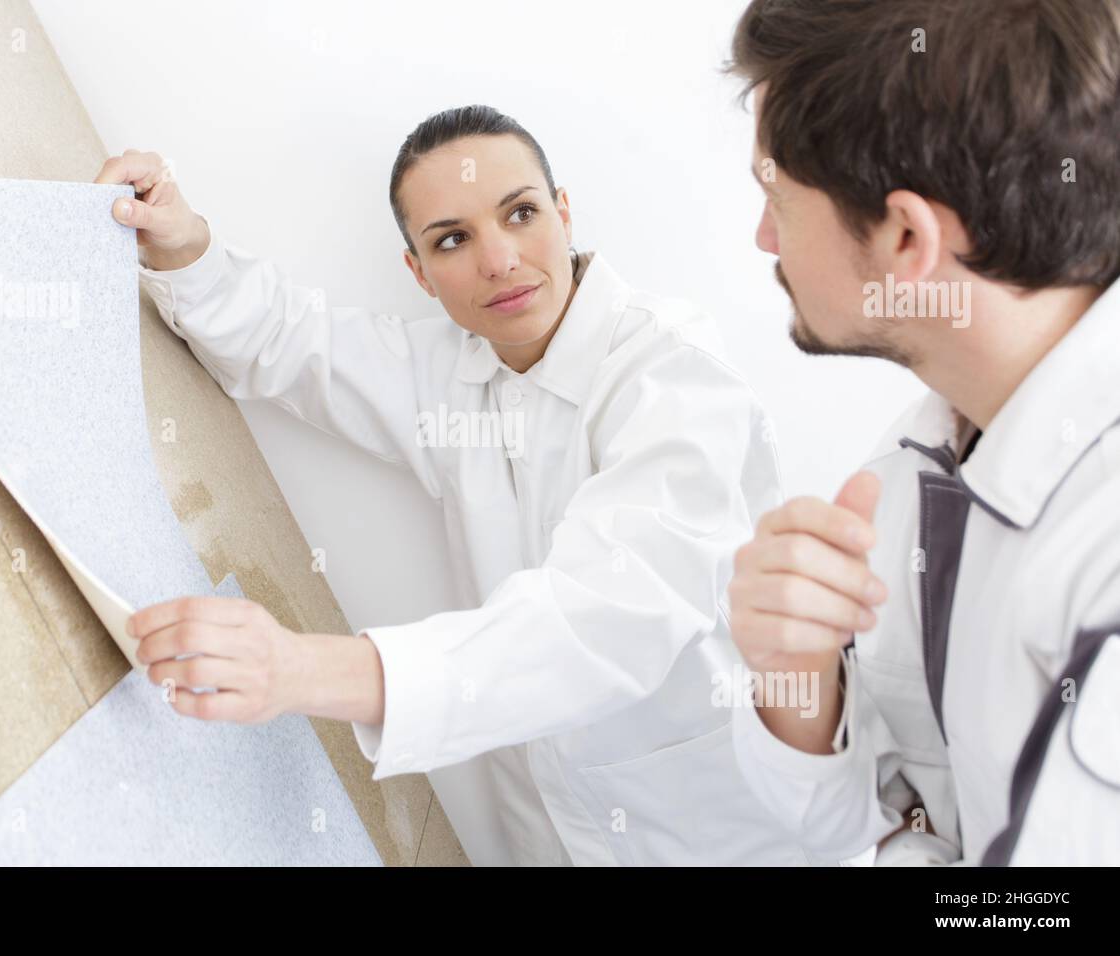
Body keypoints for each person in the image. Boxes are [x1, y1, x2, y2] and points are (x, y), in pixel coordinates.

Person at [96, 105, 809, 865]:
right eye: (452, 239)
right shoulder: (455, 371)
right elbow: (294, 343)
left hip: (725, 839)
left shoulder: (675, 375)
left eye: (521, 213)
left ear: (564, 213)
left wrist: (306, 670)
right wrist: (181, 242)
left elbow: (610, 616)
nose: (499, 260)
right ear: (420, 273)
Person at [723, 0, 1120, 865]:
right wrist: (798, 677)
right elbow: (900, 817)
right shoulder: (927, 457)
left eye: (776, 195)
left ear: (907, 237)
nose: (763, 237)